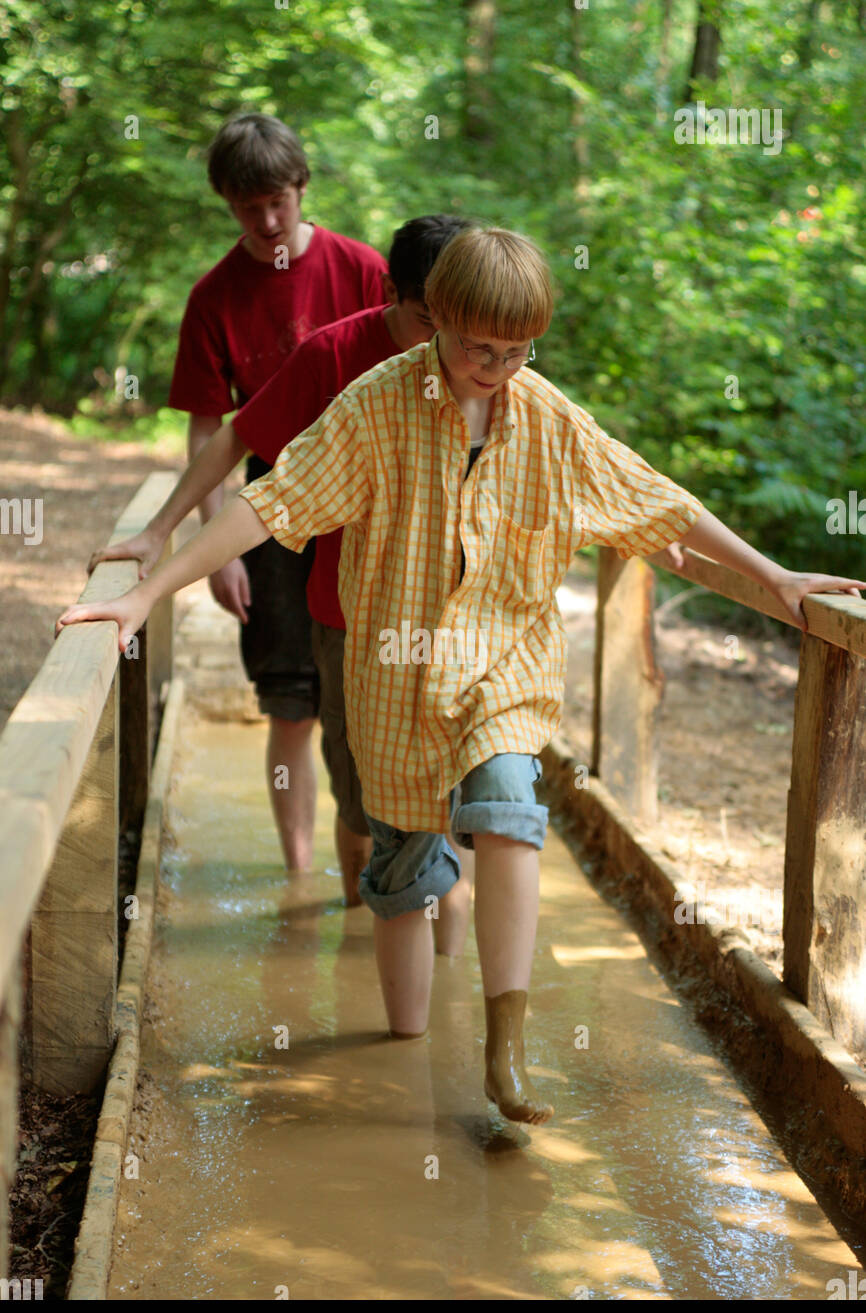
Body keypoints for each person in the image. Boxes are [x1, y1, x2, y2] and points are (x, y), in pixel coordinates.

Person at [56, 226, 866, 1126]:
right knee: (402, 884)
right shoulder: (375, 405)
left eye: (519, 351)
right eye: (481, 347)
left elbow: (656, 501)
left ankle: (503, 1048)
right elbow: (265, 504)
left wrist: (778, 579)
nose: (499, 366)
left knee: (512, 813)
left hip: (505, 669)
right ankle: (411, 1041)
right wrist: (146, 594)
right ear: (435, 320)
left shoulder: (549, 418)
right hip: (395, 680)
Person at [88, 214, 474, 938]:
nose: (450, 340)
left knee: (447, 804)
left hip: (451, 617)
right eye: (432, 320)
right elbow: (240, 440)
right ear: (394, 295)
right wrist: (160, 537)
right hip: (342, 606)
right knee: (357, 795)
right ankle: (347, 919)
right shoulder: (338, 359)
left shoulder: (487, 360)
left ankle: (447, 986)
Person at [168, 110, 387, 874]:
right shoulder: (214, 296)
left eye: (278, 202)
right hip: (272, 501)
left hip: (372, 491)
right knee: (289, 693)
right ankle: (299, 873)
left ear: (301, 188)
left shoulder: (363, 269)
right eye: (247, 206)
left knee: (378, 679)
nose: (266, 220)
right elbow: (209, 429)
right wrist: (214, 547)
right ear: (227, 203)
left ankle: (379, 865)